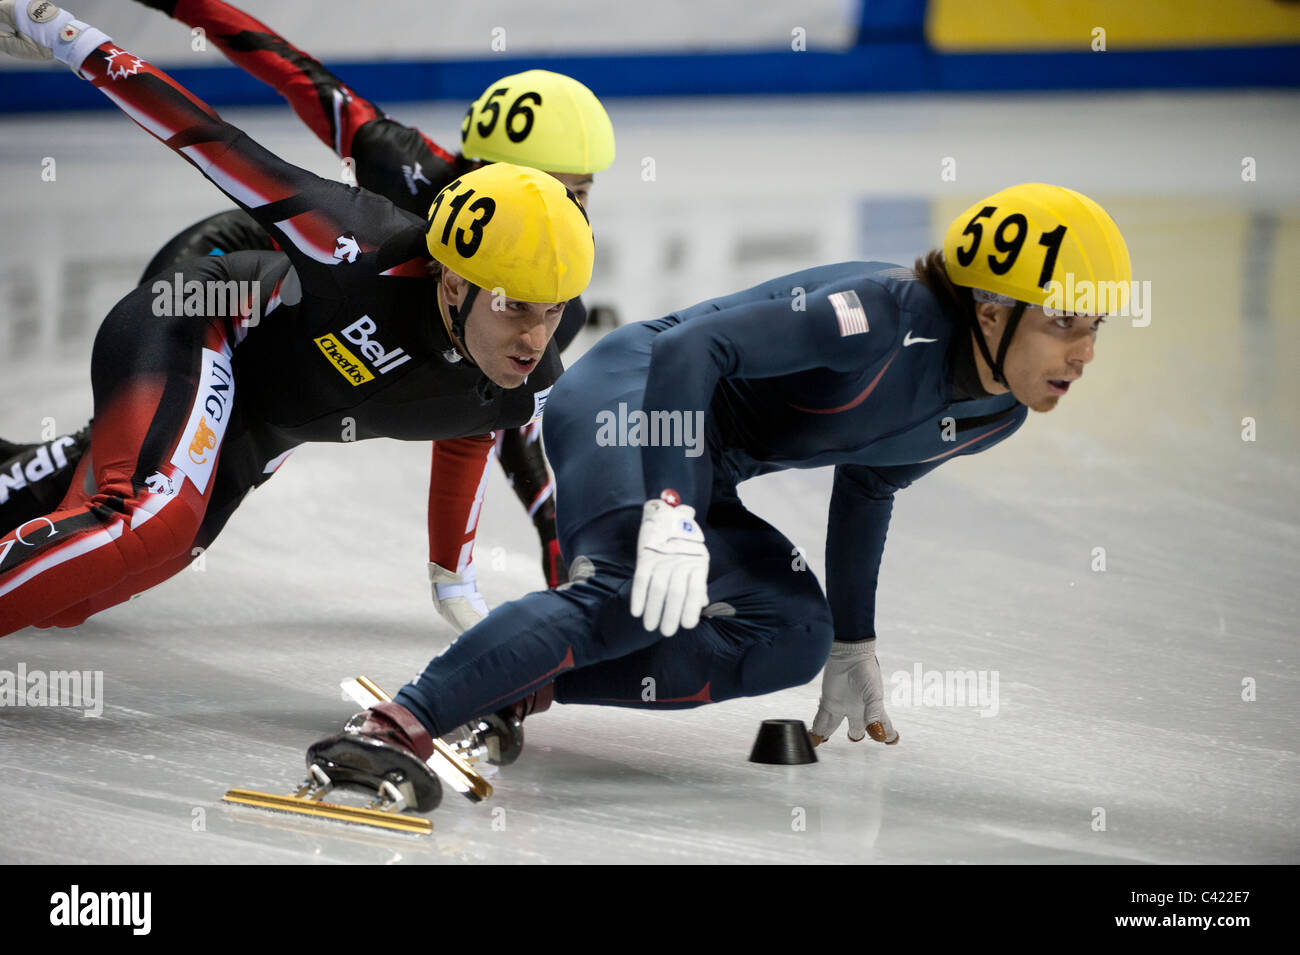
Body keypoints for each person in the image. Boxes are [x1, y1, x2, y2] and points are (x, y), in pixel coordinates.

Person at [303, 181, 1131, 804]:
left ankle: (519, 681)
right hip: (634, 399)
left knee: (794, 633)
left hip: (708, 462)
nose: (1083, 352)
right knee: (630, 589)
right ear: (990, 311)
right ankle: (394, 724)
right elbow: (693, 349)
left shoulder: (999, 412)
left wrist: (855, 640)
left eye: (1095, 325)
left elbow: (872, 483)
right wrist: (669, 509)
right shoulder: (878, 317)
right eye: (1064, 321)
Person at [0, 0, 616, 630]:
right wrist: (68, 34)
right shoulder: (367, 220)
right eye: (542, 187)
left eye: (577, 196)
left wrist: (472, 573)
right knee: (144, 513)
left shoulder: (534, 329)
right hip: (223, 296)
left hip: (283, 391)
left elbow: (477, 419)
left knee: (90, 583)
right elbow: (219, 134)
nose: (552, 215)